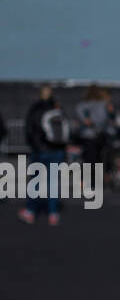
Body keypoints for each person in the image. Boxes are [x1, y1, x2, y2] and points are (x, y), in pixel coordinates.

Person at [20, 86, 68, 226]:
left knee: (35, 181)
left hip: (40, 149)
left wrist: (34, 146)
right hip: (57, 150)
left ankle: (30, 211)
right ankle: (53, 214)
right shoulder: (58, 108)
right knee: (52, 181)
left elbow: (29, 129)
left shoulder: (35, 108)